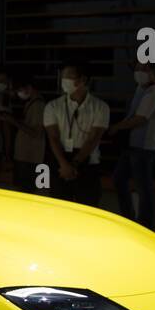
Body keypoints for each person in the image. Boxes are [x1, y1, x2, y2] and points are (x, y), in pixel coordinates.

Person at [108, 60, 155, 228]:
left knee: (144, 188)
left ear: (153, 70)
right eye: (137, 68)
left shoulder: (153, 92)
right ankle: (129, 217)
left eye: (144, 68)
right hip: (133, 146)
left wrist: (117, 127)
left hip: (143, 148)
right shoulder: (142, 89)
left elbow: (140, 119)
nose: (139, 71)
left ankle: (146, 224)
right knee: (120, 179)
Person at [43, 64, 109, 206]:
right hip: (60, 160)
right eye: (63, 76)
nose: (64, 80)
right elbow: (53, 138)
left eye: (68, 77)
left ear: (83, 80)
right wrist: (64, 164)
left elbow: (93, 139)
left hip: (87, 161)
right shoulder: (53, 106)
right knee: (58, 208)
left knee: (88, 207)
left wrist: (74, 164)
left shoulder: (100, 107)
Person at [2, 75, 46, 193]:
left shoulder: (37, 105)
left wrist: (13, 121)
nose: (17, 94)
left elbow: (36, 133)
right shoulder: (33, 103)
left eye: (18, 90)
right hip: (28, 157)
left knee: (27, 190)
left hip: (30, 158)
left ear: (28, 88)